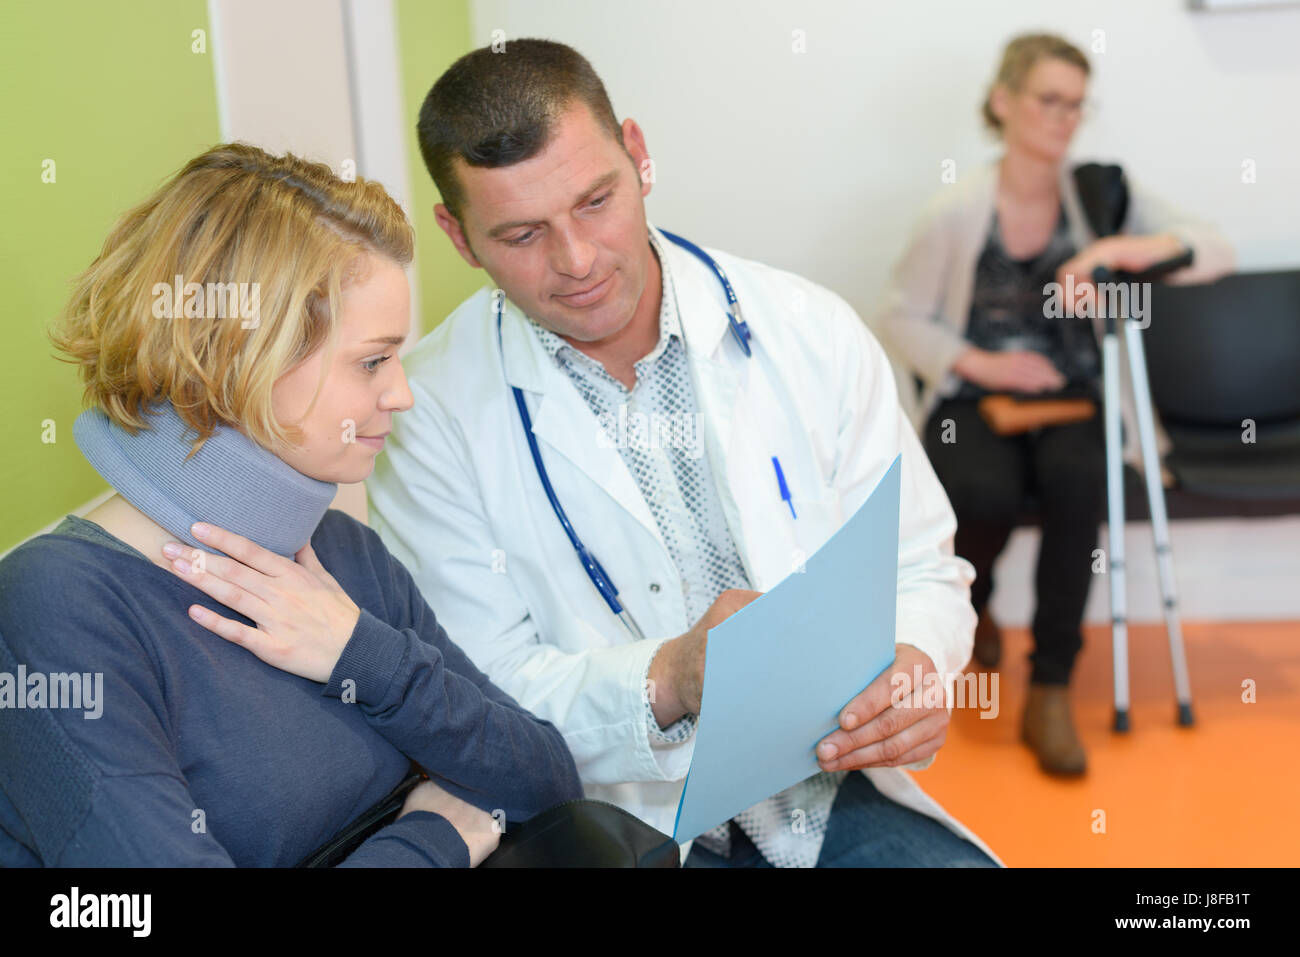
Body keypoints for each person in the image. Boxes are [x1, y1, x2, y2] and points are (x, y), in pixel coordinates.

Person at [366, 38, 1001, 867]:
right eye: (522, 234)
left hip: (826, 788)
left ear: (637, 153)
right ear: (457, 235)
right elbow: (477, 700)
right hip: (618, 821)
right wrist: (671, 677)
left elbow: (919, 565)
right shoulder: (426, 415)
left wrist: (913, 665)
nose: (577, 260)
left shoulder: (809, 330)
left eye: (596, 202)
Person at [0, 143, 582, 867]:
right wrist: (431, 840)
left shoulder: (341, 551)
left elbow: (548, 779)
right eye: (373, 360)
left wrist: (361, 655)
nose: (400, 393)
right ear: (238, 358)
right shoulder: (54, 608)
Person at [875, 33, 1234, 775]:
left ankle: (1050, 685)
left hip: (1075, 397)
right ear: (1004, 101)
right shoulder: (956, 210)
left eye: (1077, 104)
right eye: (1048, 99)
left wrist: (1112, 253)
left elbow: (1212, 247)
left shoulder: (1101, 196)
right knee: (979, 489)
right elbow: (902, 316)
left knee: (1081, 484)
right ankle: (971, 613)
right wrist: (984, 360)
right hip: (977, 398)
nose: (1065, 118)